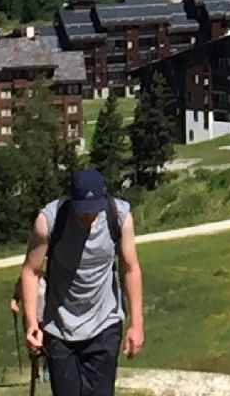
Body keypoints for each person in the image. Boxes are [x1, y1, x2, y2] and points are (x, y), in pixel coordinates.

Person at [19, 167, 145, 396]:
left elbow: (130, 267)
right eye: (82, 211)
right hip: (60, 328)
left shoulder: (119, 216)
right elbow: (31, 271)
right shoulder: (49, 220)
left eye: (93, 211)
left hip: (104, 323)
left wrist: (137, 324)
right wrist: (31, 324)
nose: (88, 217)